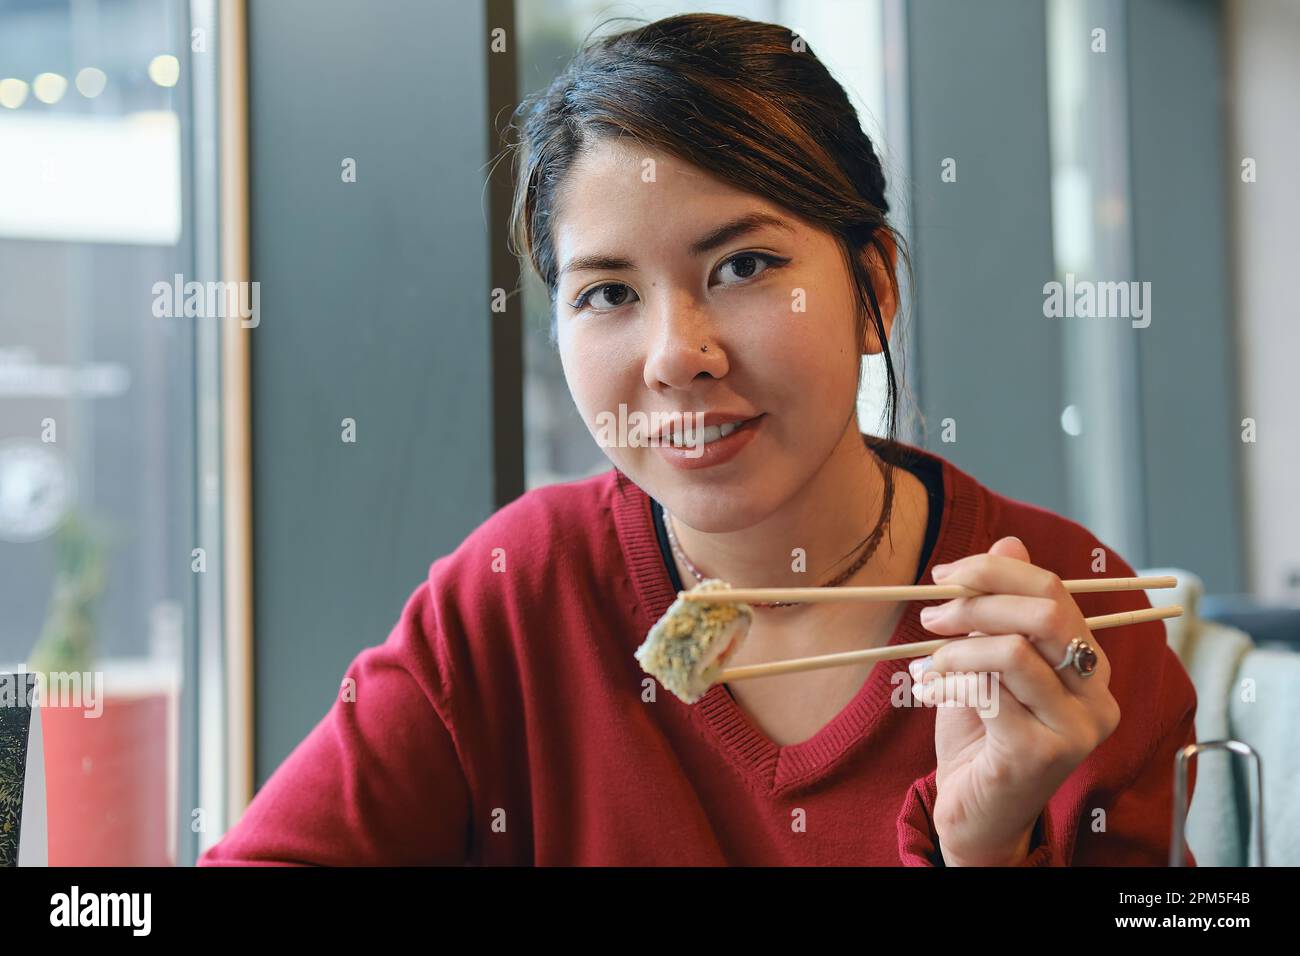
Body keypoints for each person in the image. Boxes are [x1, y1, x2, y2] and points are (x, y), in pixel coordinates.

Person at [199, 12, 1197, 866]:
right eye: (609, 293)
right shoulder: (514, 591)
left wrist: (983, 849)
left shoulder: (1066, 627)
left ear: (873, 289)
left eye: (744, 264)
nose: (677, 353)